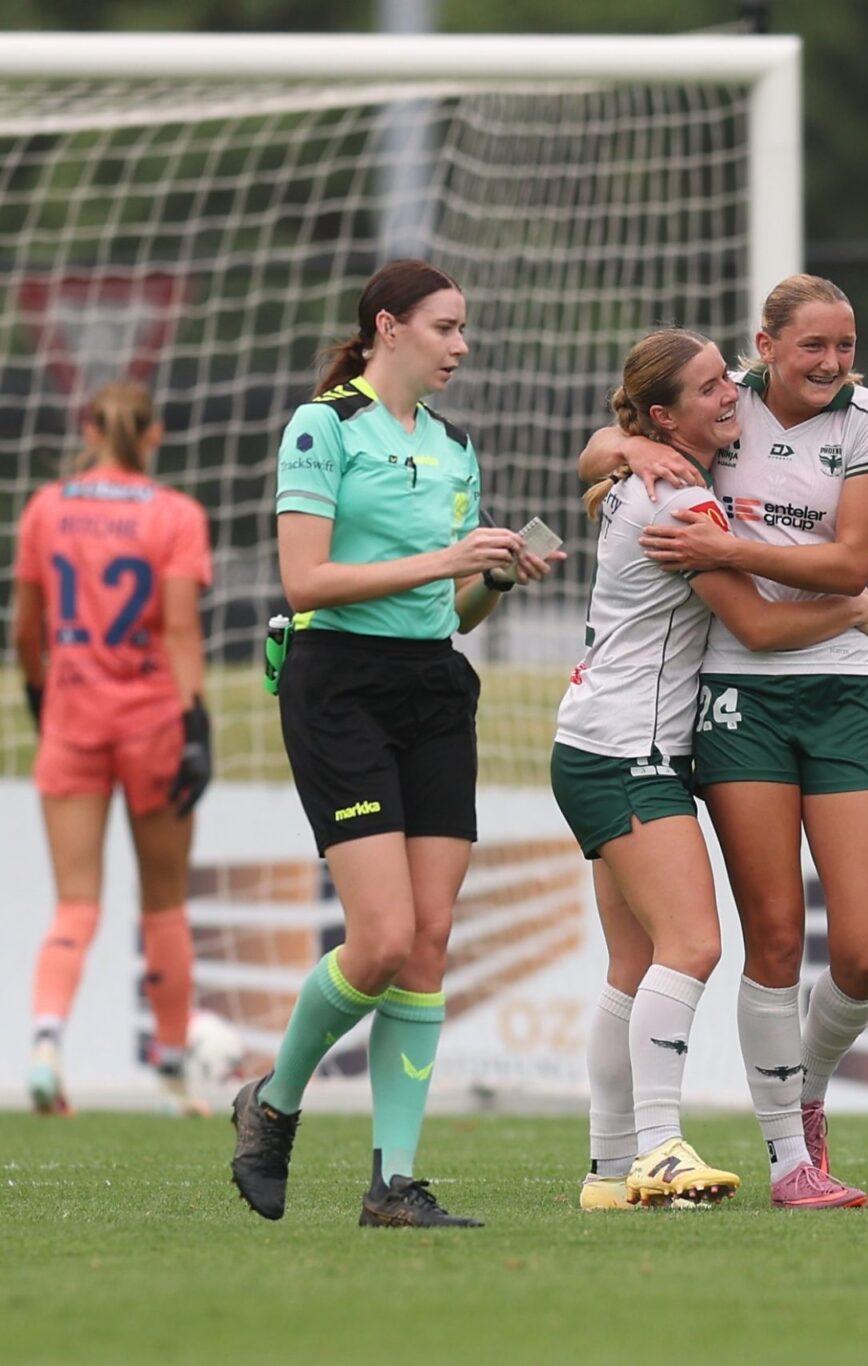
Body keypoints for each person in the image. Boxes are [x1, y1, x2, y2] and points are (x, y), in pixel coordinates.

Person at [229, 259, 562, 1228]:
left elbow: (449, 611)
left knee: (426, 943)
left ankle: (394, 1184)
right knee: (375, 940)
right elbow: (304, 581)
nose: (460, 346)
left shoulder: (456, 449)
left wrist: (495, 576)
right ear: (389, 326)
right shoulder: (321, 426)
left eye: (463, 329)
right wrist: (447, 557)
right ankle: (273, 1101)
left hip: (430, 688)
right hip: (338, 685)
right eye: (445, 327)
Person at [578, 275, 868, 1209]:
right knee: (766, 936)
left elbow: (851, 563)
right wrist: (630, 444)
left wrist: (731, 552)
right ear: (766, 346)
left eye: (846, 346)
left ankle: (792, 1094)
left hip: (840, 692)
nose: (834, 364)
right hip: (735, 703)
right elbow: (601, 449)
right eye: (813, 347)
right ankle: (786, 1159)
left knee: (859, 956)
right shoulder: (725, 408)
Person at [15, 381, 212, 1118]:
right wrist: (197, 728)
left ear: (88, 426)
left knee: (74, 903)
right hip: (154, 721)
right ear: (154, 435)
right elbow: (184, 632)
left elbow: (25, 633)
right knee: (163, 903)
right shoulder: (176, 515)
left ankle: (43, 1045)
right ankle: (170, 1072)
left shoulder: (46, 507)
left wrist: (43, 702)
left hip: (71, 720)